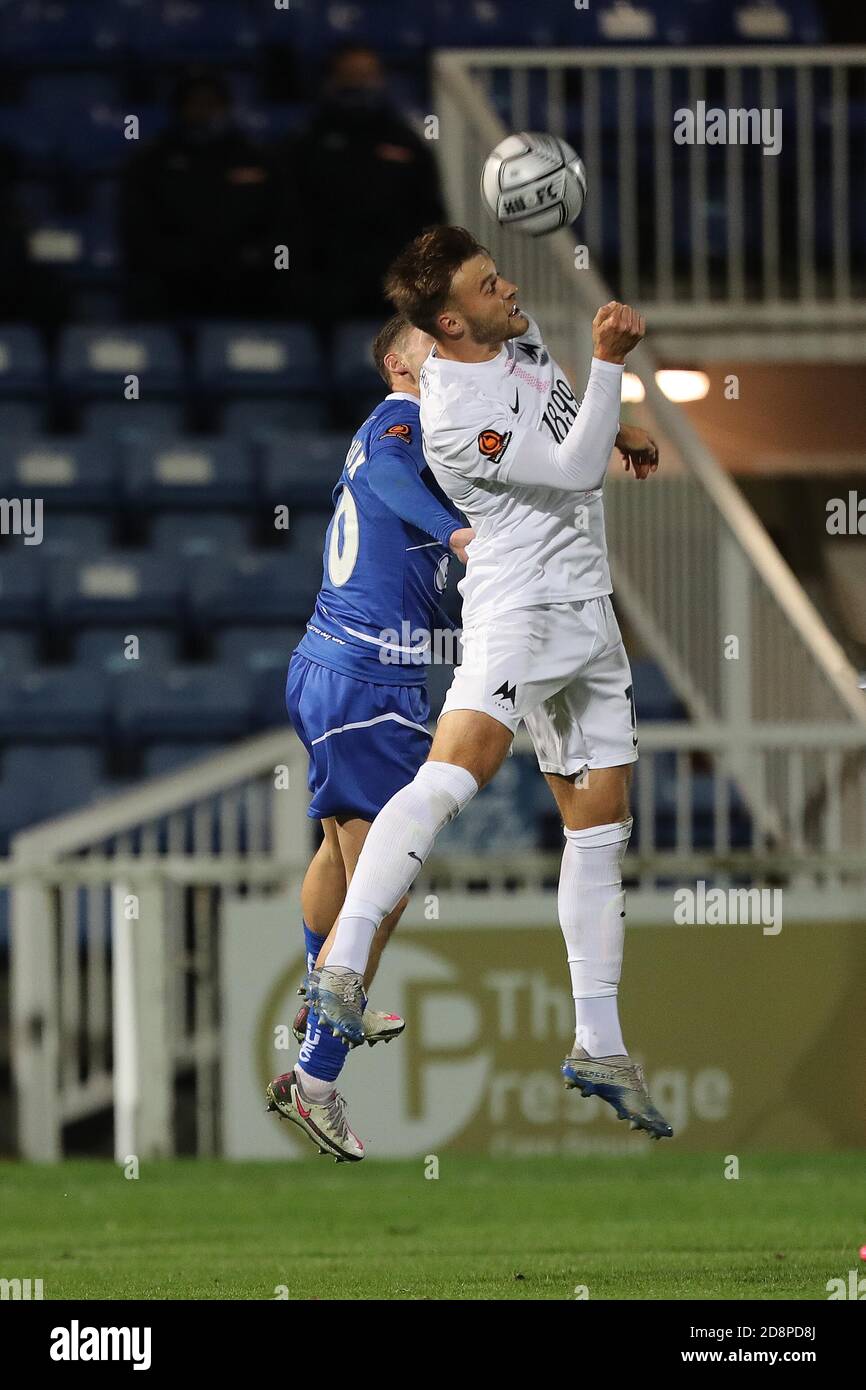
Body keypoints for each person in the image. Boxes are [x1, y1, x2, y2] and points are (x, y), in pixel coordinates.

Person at [315, 226, 673, 1140]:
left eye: (497, 271)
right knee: (451, 776)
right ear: (447, 319)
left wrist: (608, 415)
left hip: (586, 608)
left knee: (601, 818)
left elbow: (565, 425)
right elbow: (571, 467)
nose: (508, 287)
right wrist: (610, 367)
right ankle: (344, 966)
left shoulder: (510, 338)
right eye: (487, 283)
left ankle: (599, 1040)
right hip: (522, 606)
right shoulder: (446, 408)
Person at [266, 314, 473, 1161]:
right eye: (435, 349)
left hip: (325, 662)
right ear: (399, 362)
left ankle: (321, 1006)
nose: (451, 362)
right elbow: (390, 470)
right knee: (380, 885)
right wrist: (461, 533)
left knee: (337, 857)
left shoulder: (420, 436)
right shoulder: (402, 422)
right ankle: (316, 1073)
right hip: (371, 675)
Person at [285, 45, 446, 327]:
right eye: (350, 75)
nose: (359, 84)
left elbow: (429, 215)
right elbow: (291, 213)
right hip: (326, 281)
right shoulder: (306, 142)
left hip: (393, 282)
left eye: (367, 75)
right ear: (332, 81)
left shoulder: (406, 142)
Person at [119, 70, 277, 318]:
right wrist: (184, 258)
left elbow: (280, 225)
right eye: (196, 103)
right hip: (173, 281)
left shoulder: (256, 158)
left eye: (212, 104)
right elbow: (138, 232)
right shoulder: (151, 161)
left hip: (245, 280)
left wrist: (264, 258)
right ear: (180, 109)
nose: (204, 111)